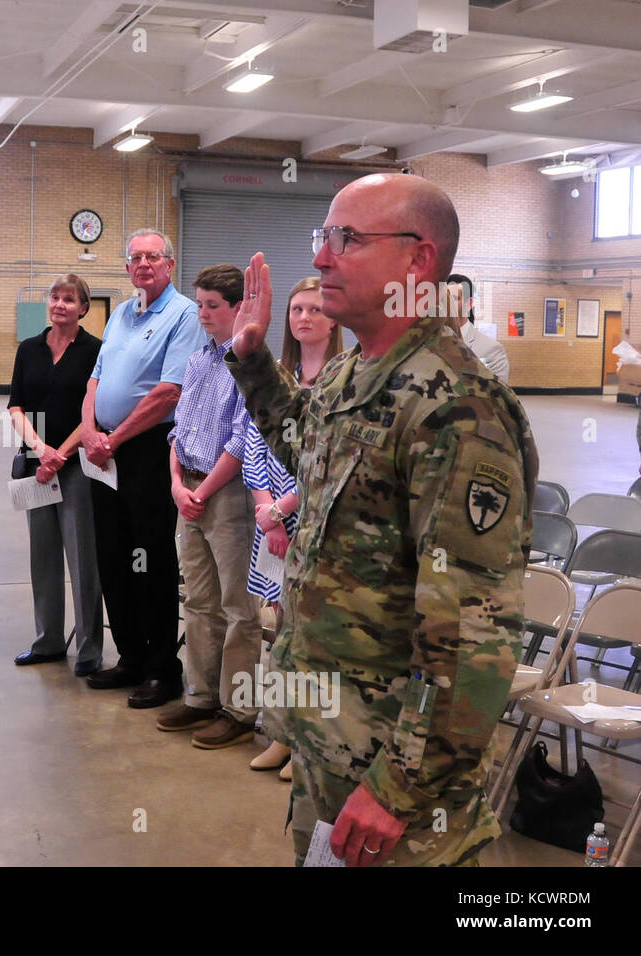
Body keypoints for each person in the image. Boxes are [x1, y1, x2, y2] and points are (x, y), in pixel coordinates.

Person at [226, 173, 538, 867]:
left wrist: (401, 787)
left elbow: (473, 631)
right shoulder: (352, 376)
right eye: (324, 238)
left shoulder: (458, 407)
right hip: (329, 744)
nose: (323, 258)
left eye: (347, 240)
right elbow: (307, 451)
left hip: (394, 784)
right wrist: (251, 364)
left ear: (418, 261)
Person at [80, 229, 207, 709]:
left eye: (153, 257)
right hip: (104, 453)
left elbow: (169, 392)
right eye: (135, 258)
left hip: (147, 451)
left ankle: (161, 669)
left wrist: (112, 438)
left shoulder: (183, 316)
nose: (143, 264)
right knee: (112, 556)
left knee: (149, 558)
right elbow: (95, 379)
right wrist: (90, 431)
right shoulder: (118, 315)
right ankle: (130, 656)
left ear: (170, 265)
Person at [157, 264, 262, 749]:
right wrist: (179, 483)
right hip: (190, 490)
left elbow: (242, 439)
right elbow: (179, 429)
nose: (202, 313)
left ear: (239, 307)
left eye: (212, 305)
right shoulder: (198, 361)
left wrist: (203, 491)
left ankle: (238, 708)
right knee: (198, 601)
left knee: (238, 606)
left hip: (228, 495)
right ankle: (200, 696)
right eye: (198, 304)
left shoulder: (250, 363)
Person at [243, 277, 343, 779]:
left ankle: (309, 745)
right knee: (279, 636)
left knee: (311, 639)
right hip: (271, 525)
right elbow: (252, 444)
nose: (303, 317)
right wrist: (265, 508)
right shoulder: (276, 376)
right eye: (295, 308)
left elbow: (327, 462)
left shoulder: (342, 378)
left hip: (311, 523)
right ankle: (280, 735)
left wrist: (284, 510)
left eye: (314, 309)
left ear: (333, 320)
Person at [8, 274, 104, 676]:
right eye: (55, 297)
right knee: (42, 556)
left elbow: (96, 411)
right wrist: (39, 449)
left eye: (69, 299)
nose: (60, 304)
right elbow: (16, 406)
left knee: (83, 558)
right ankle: (47, 641)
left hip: (77, 465)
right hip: (35, 466)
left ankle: (88, 650)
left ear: (83, 308)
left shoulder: (95, 351)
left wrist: (59, 454)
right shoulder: (29, 349)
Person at [445, 273, 509, 383]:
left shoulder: (492, 350)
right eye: (444, 298)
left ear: (468, 304)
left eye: (455, 298)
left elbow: (497, 396)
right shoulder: (427, 343)